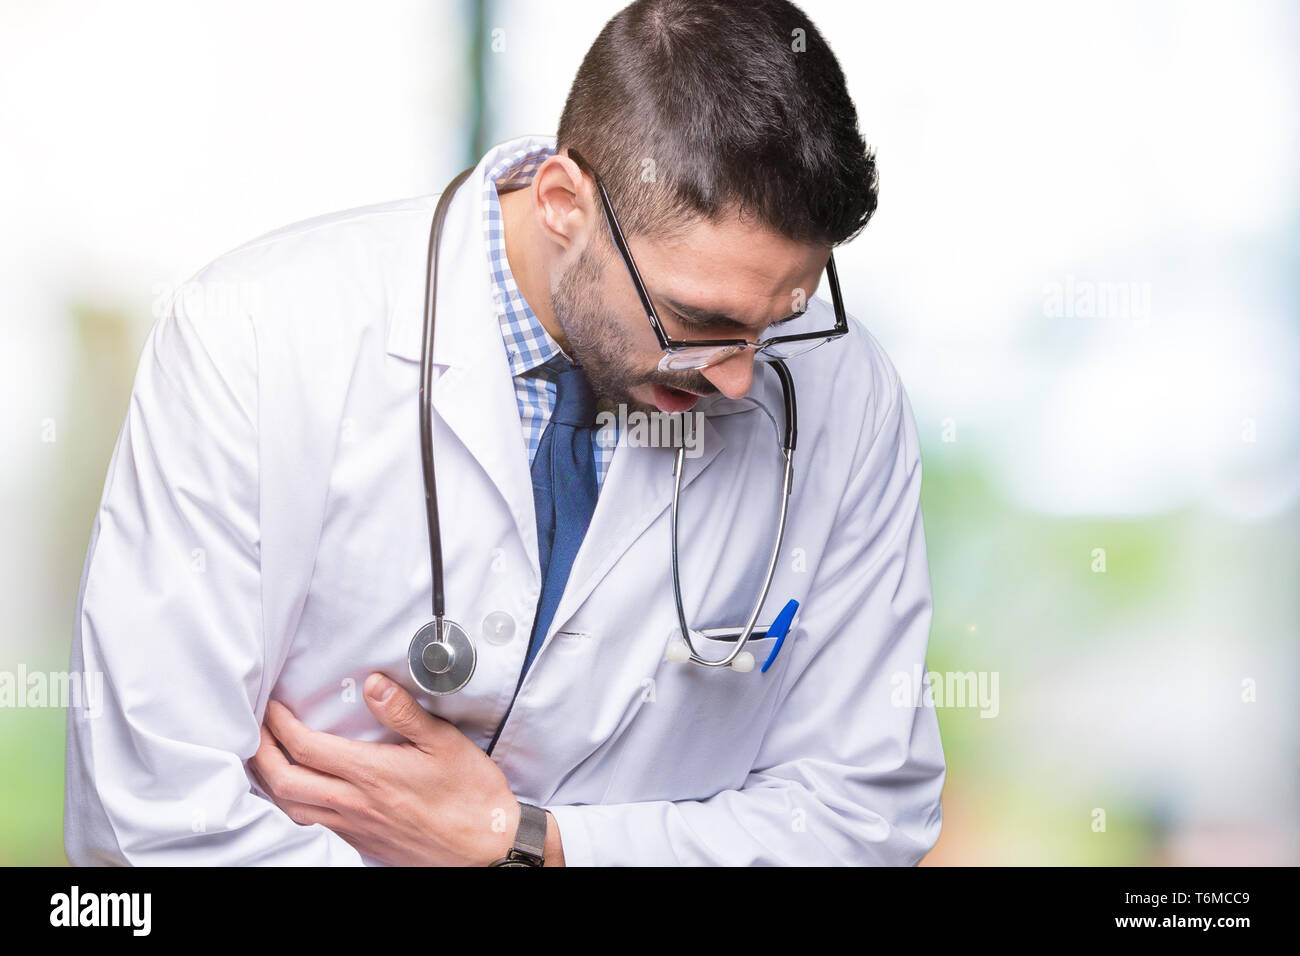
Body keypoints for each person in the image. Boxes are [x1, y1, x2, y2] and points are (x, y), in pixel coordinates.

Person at [64, 0, 945, 866]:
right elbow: (150, 821)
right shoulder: (258, 330)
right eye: (695, 316)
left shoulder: (844, 393)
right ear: (564, 201)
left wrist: (532, 846)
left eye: (781, 316)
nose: (740, 375)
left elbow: (860, 815)